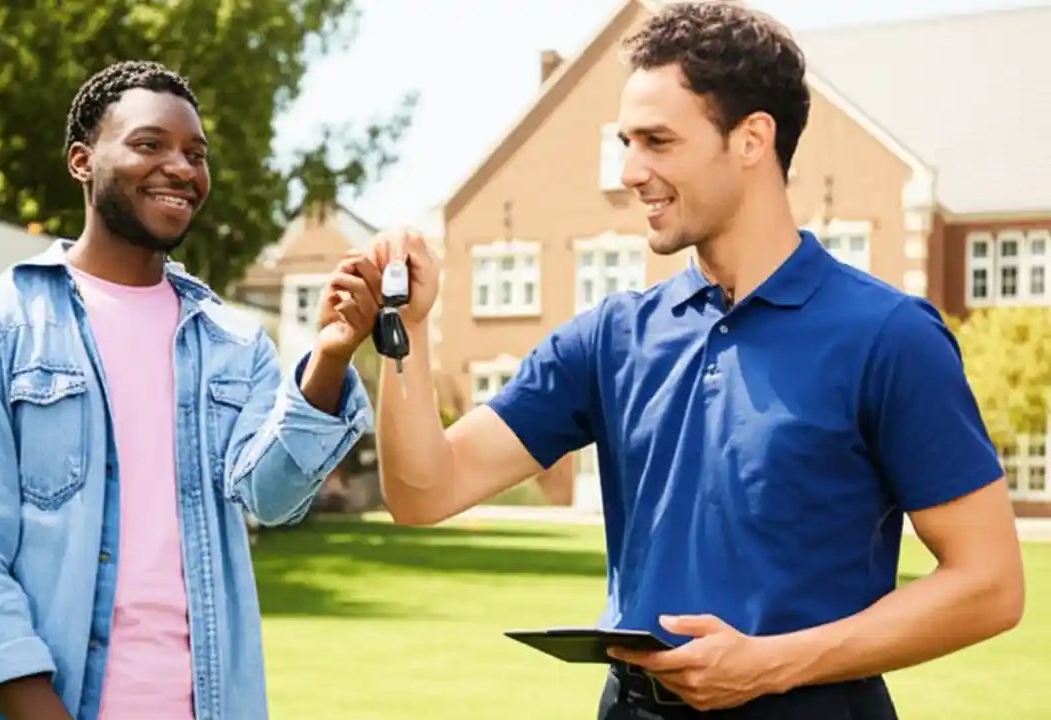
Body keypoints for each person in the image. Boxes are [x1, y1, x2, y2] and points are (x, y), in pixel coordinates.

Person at [356, 3, 1025, 718]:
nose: (628, 172)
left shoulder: (890, 337)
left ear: (751, 139)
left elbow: (989, 584)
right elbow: (424, 492)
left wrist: (771, 665)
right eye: (625, 143)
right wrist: (409, 332)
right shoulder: (612, 339)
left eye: (657, 142)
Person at [0, 60, 377, 720]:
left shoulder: (234, 344)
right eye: (149, 144)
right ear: (81, 160)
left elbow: (272, 500)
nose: (181, 168)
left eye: (195, 153)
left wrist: (329, 357)